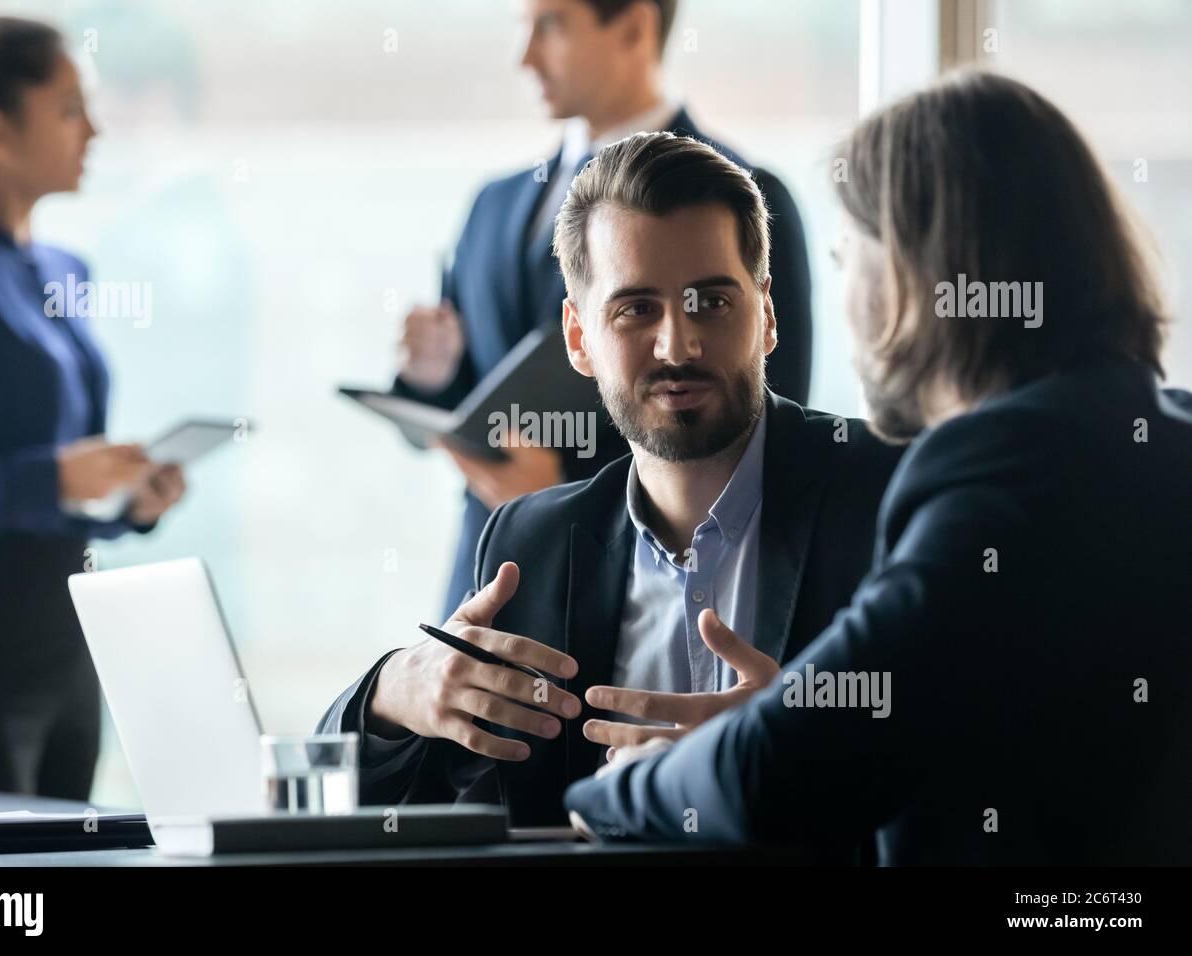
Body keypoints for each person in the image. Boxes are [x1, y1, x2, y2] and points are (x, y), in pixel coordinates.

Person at [563, 70, 1192, 864]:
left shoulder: (997, 482)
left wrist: (608, 792)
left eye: (845, 255)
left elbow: (779, 764)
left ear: (916, 276)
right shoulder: (1157, 439)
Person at [319, 134, 898, 828]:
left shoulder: (891, 495)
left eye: (710, 303)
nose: (677, 346)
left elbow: (994, 755)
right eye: (636, 309)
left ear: (767, 314)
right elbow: (401, 809)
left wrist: (797, 747)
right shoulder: (533, 543)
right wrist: (393, 693)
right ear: (577, 337)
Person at [398, 0, 813, 618]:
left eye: (553, 25)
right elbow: (456, 405)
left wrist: (570, 494)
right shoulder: (492, 204)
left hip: (658, 596)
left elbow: (770, 424)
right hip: (483, 581)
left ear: (636, 26)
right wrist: (429, 376)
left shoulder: (744, 196)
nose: (526, 56)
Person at [0, 11, 184, 799]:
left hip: (67, 642)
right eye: (67, 109)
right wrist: (50, 478)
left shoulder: (63, 268)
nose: (93, 129)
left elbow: (59, 479)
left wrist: (126, 501)